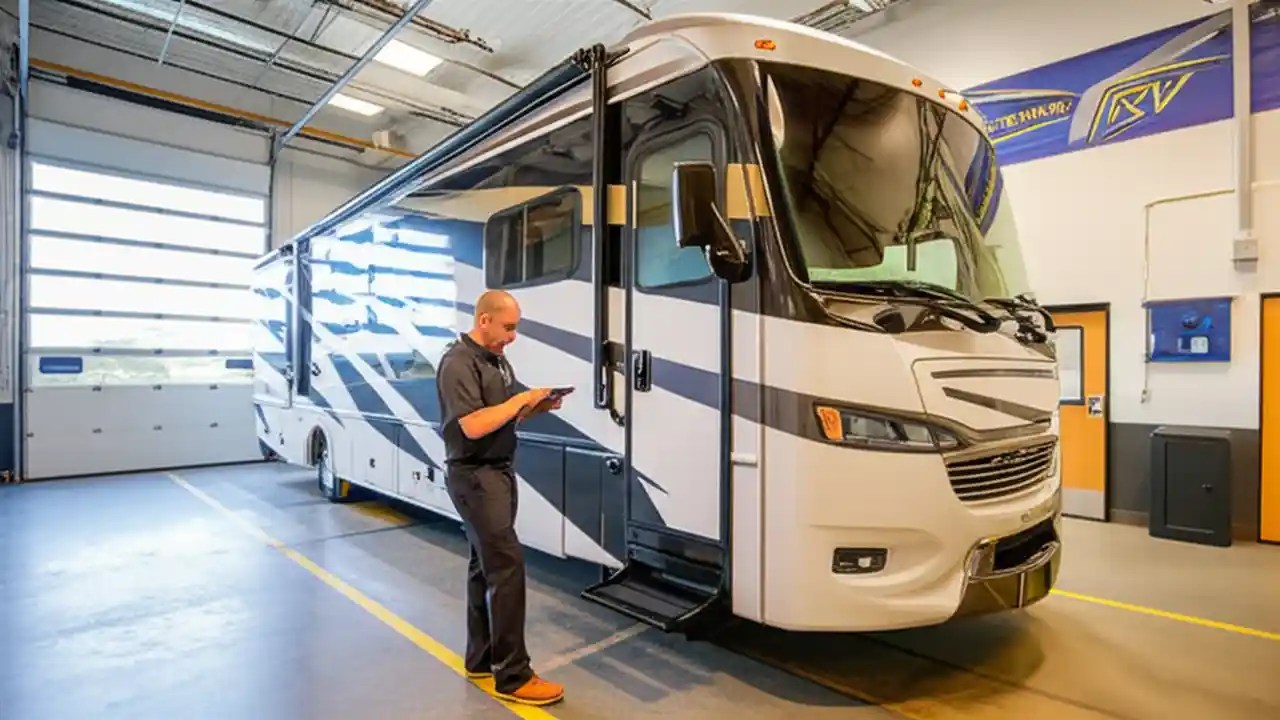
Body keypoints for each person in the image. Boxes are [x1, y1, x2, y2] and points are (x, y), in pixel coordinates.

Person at [435, 289, 567, 706]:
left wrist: (536, 406)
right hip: (475, 477)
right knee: (507, 566)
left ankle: (482, 658)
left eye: (515, 328)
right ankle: (513, 675)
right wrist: (518, 402)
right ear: (485, 320)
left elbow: (498, 413)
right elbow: (472, 425)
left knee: (484, 567)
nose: (512, 336)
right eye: (508, 327)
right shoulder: (458, 361)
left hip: (497, 473)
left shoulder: (495, 359)